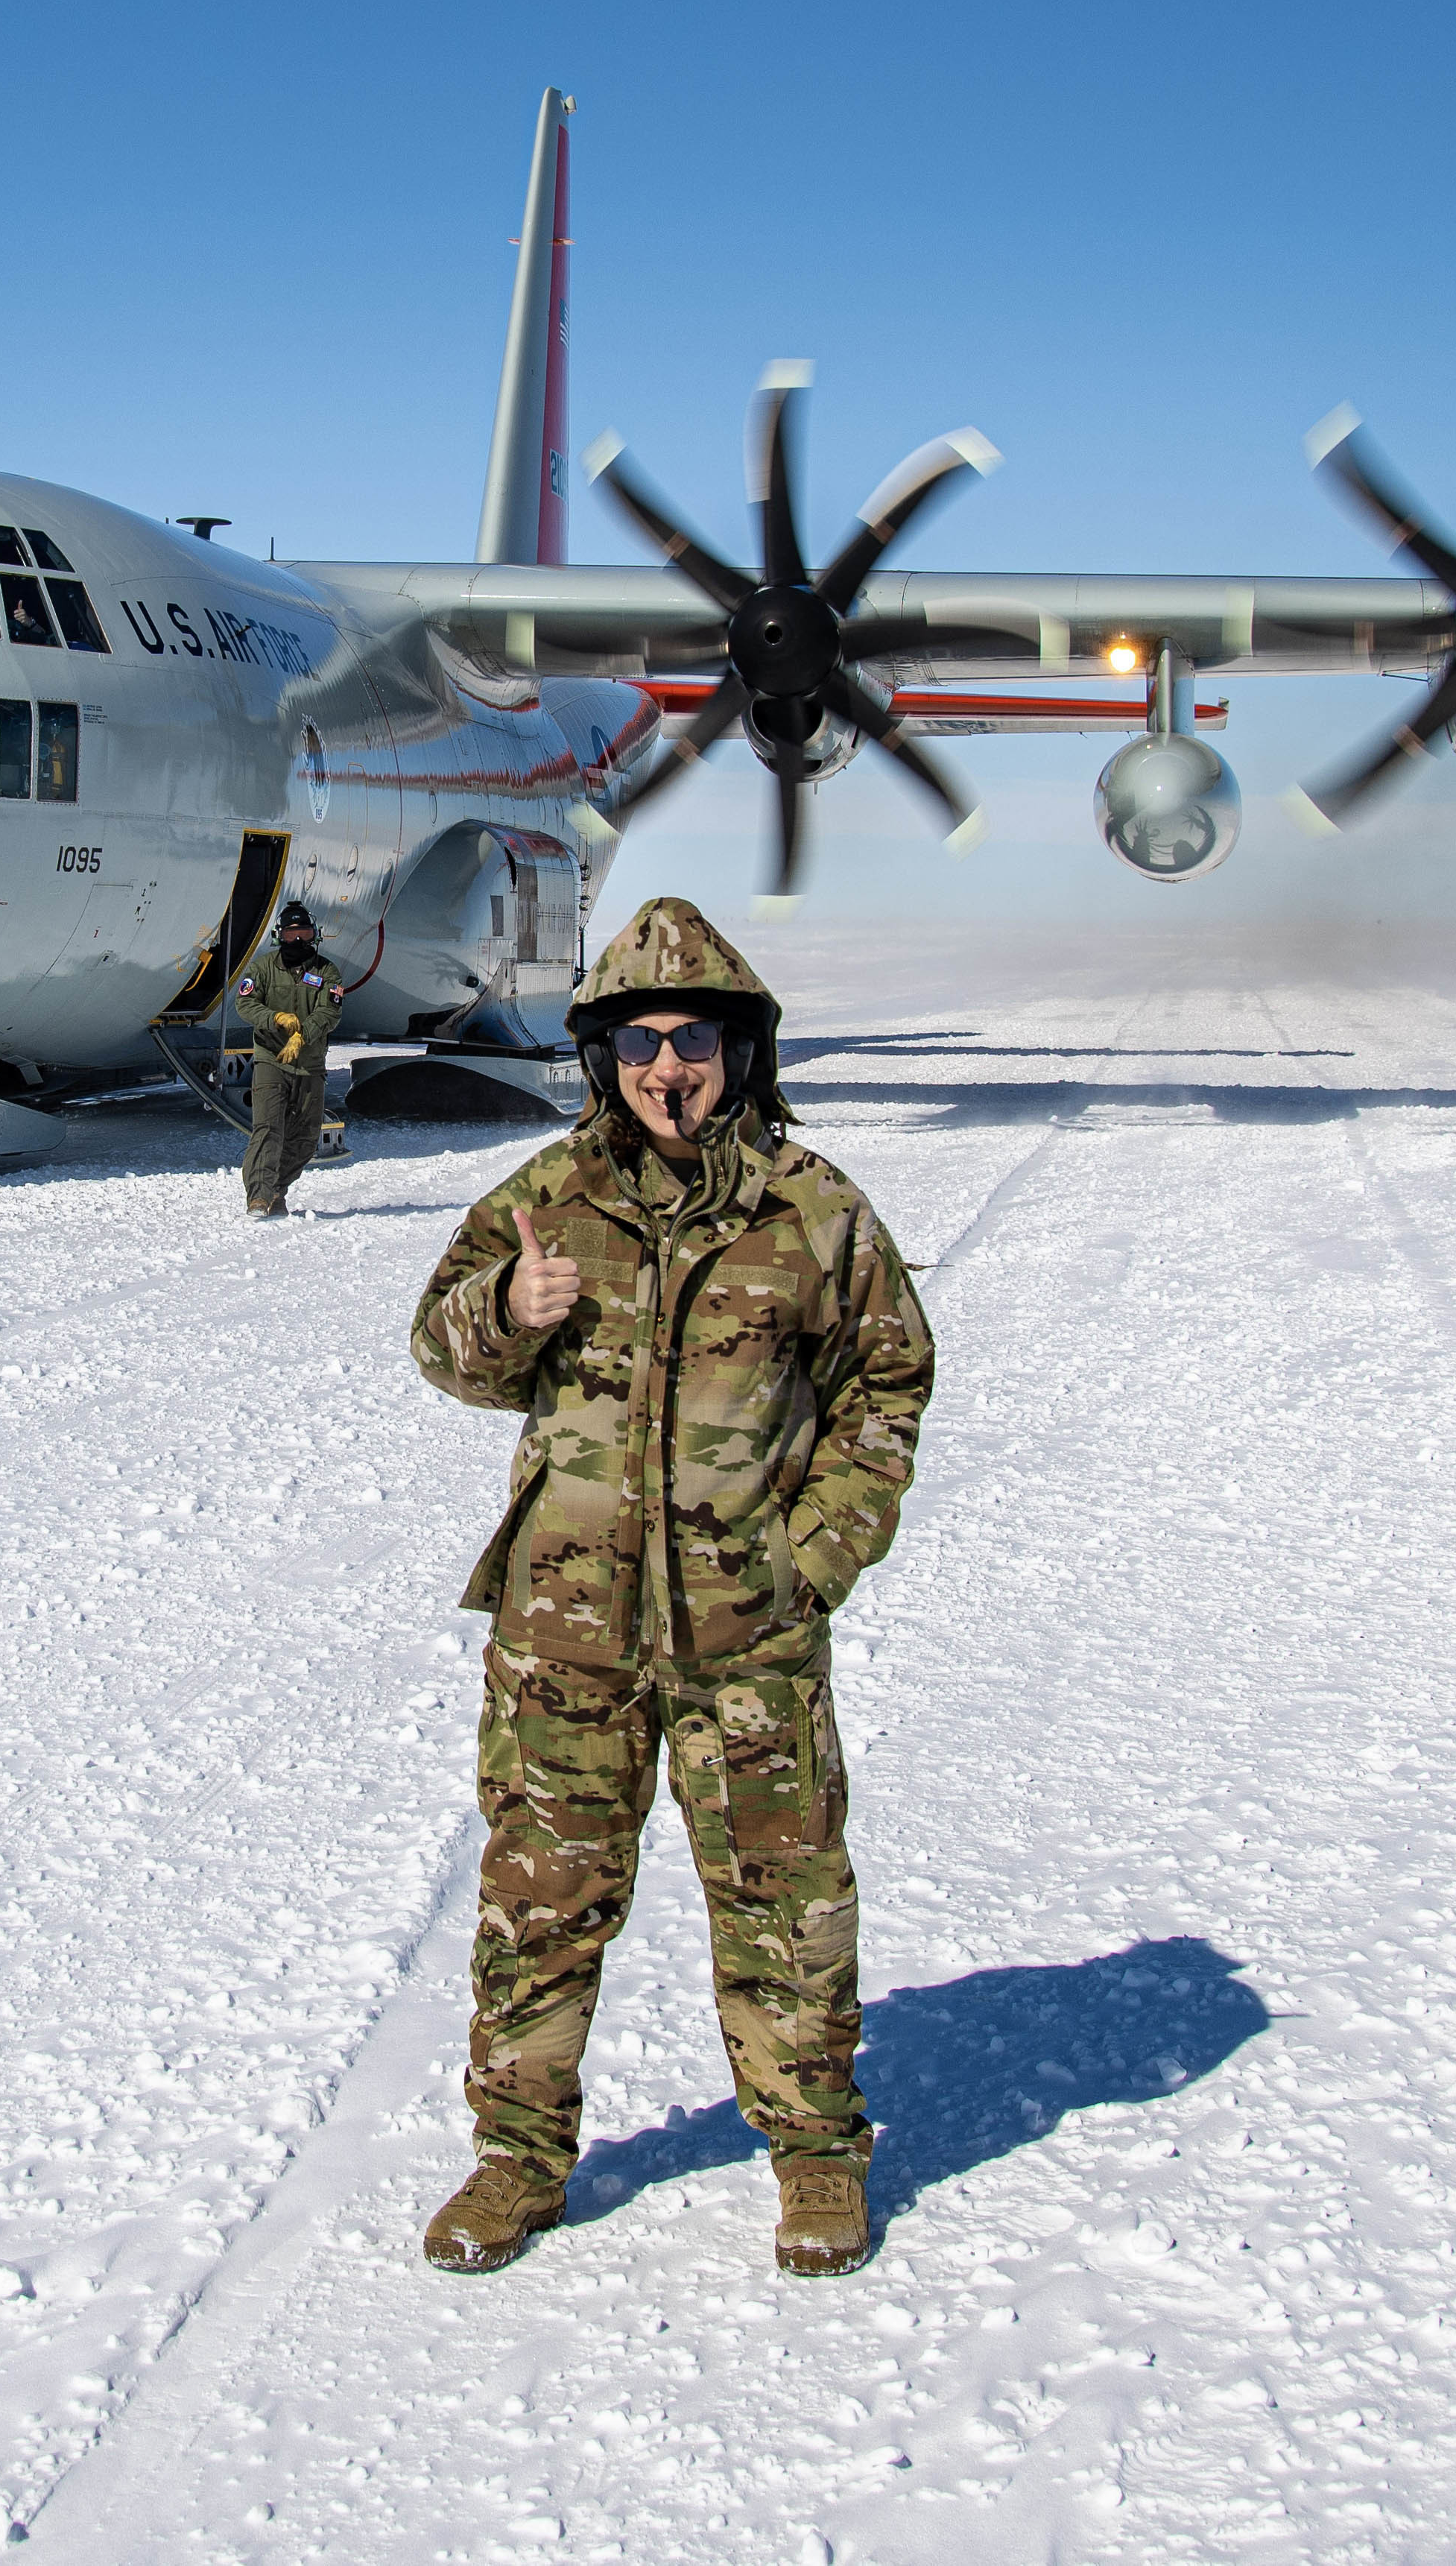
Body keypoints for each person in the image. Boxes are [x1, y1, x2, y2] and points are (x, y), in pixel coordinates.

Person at [405, 897, 934, 2279]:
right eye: (637, 1044)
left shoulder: (812, 1211)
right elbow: (440, 1346)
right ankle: (516, 2162)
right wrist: (501, 1320)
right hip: (563, 1636)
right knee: (540, 1900)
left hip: (745, 1640)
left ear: (738, 1048)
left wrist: (813, 1556)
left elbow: (891, 1383)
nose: (666, 1070)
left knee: (783, 1902)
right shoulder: (543, 1202)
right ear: (602, 1060)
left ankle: (818, 2157)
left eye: (692, 1038)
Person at [232, 898, 339, 1217]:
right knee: (267, 1128)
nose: (298, 941)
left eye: (305, 934)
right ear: (280, 936)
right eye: (292, 934)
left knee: (306, 1136)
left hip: (310, 1064)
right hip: (270, 1060)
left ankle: (278, 1187)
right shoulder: (263, 968)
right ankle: (259, 1197)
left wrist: (302, 1035)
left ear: (315, 935)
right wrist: (275, 1018)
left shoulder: (326, 971)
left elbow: (329, 1012)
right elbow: (245, 1004)